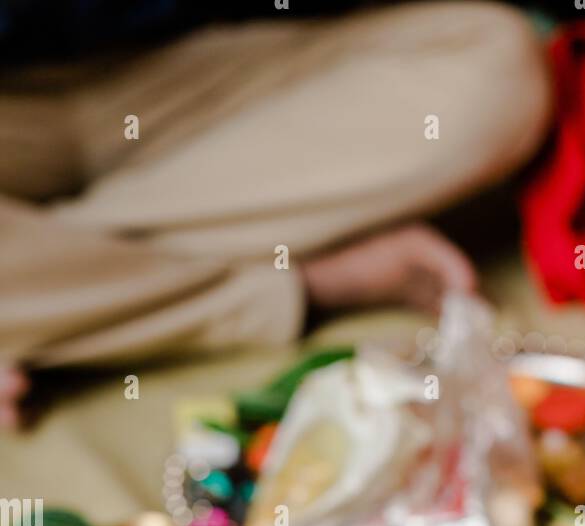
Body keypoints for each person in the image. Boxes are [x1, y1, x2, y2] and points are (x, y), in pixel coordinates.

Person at [0, 1, 553, 426]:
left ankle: (55, 286)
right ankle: (308, 284)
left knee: (493, 65)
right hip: (17, 103)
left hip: (192, 63)